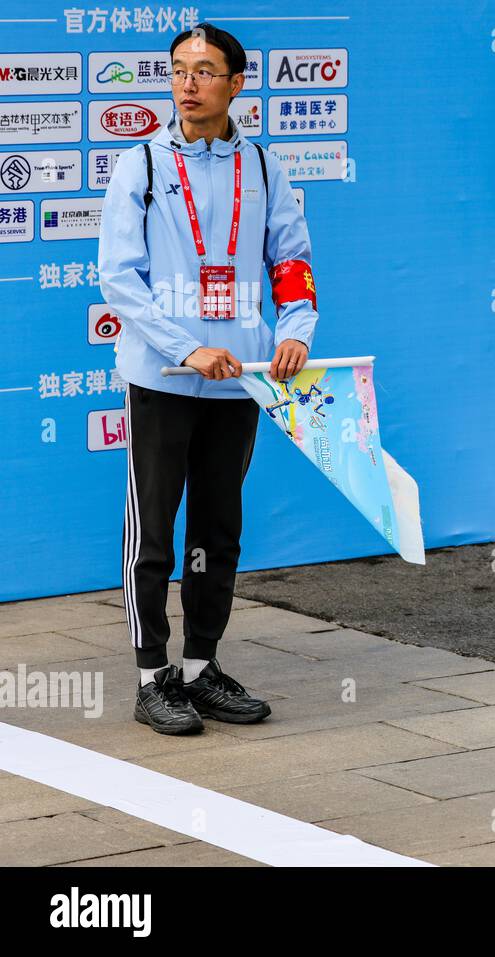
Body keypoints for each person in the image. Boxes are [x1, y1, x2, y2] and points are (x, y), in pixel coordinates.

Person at [99, 22, 318, 734]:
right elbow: (118, 278)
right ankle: (151, 677)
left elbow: (291, 258)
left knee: (217, 531)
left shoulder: (261, 166)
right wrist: (185, 345)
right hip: (162, 376)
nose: (188, 84)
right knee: (153, 536)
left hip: (240, 380)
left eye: (204, 70)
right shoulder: (142, 165)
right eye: (179, 70)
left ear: (236, 82)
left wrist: (293, 332)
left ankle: (201, 668)